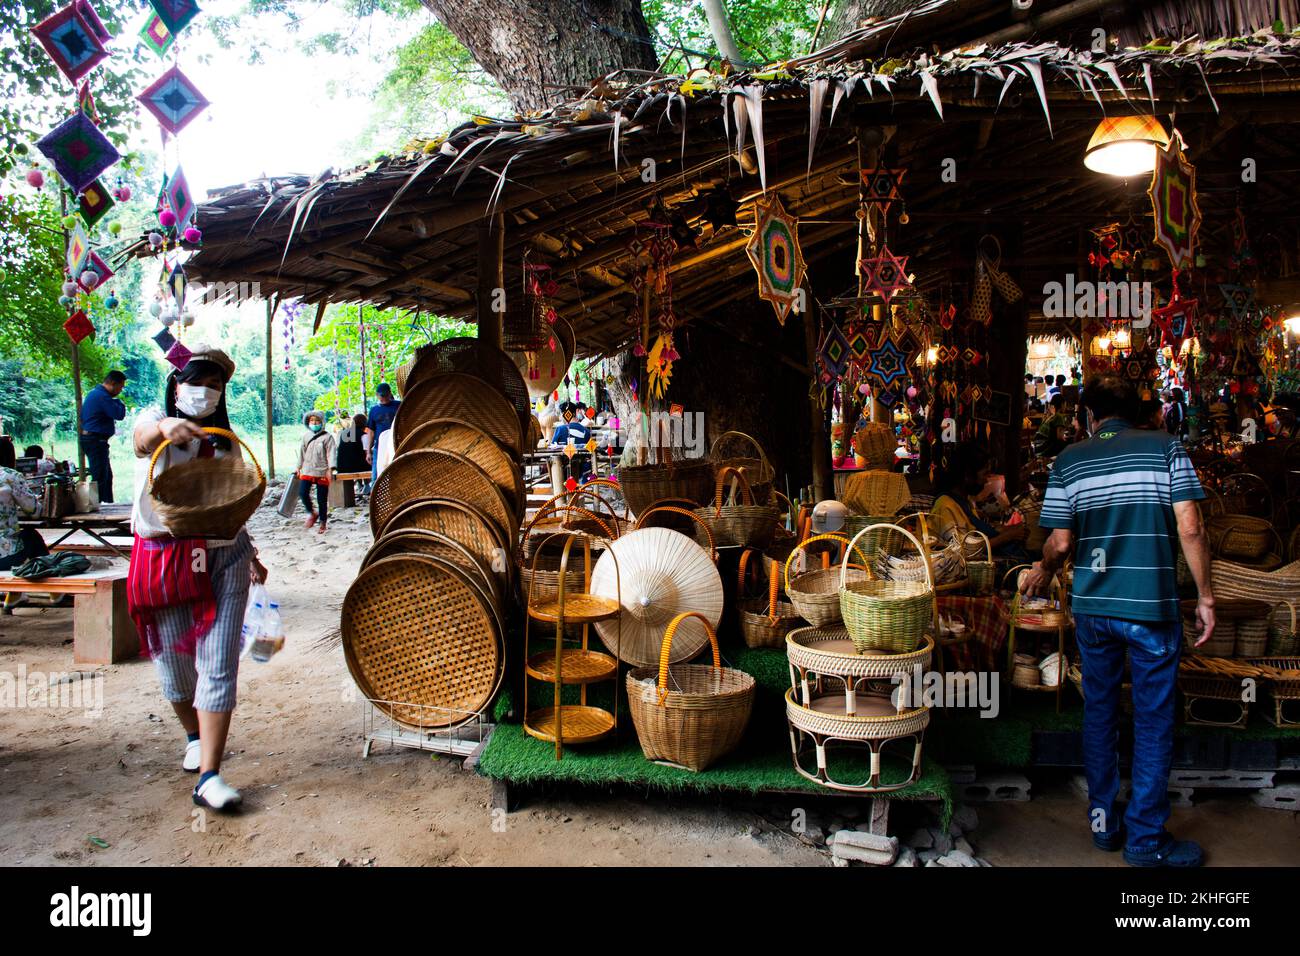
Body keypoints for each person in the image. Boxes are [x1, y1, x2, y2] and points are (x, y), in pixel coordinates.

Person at [1022, 375, 1214, 868]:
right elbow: (1189, 525)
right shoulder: (1167, 449)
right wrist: (1206, 596)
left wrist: (1043, 568)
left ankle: (1104, 822)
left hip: (1093, 609)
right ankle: (1145, 839)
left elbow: (1060, 543)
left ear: (1088, 416)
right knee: (1153, 719)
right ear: (1139, 411)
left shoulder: (1069, 460)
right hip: (1151, 609)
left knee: (1100, 713)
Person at [129, 345, 266, 812]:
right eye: (196, 382)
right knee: (173, 665)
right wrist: (165, 428)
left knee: (219, 661)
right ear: (175, 384)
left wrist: (253, 553)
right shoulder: (154, 419)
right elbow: (140, 440)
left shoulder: (225, 441)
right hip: (166, 559)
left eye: (215, 385)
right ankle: (192, 733)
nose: (204, 392)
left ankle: (210, 774)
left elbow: (229, 502)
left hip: (225, 558)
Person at [930, 442, 1028, 558]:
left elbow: (975, 534)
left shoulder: (965, 502)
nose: (987, 481)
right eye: (985, 474)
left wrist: (1007, 530)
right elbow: (963, 550)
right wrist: (1007, 536)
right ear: (967, 475)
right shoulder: (945, 505)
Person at [0, 436, 48, 574]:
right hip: (4, 555)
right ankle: (54, 587)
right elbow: (34, 510)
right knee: (31, 537)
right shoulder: (10, 476)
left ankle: (15, 593)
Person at [79, 369, 127, 502]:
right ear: (112, 383)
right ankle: (96, 507)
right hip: (94, 440)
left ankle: (105, 504)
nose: (120, 390)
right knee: (100, 477)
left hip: (95, 439)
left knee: (106, 476)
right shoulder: (101, 396)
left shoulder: (97, 394)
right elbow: (119, 414)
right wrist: (119, 402)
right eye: (120, 387)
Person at [295, 411, 336, 534]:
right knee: (302, 493)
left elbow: (331, 454)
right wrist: (298, 467)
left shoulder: (328, 437)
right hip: (307, 469)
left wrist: (331, 469)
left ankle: (323, 522)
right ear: (308, 422)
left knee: (321, 499)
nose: (314, 423)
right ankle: (312, 513)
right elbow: (302, 452)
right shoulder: (306, 437)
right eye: (312, 421)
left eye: (317, 421)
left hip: (322, 471)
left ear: (322, 422)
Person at [364, 384, 400, 482]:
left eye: (386, 395)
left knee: (397, 474)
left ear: (390, 393)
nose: (384, 398)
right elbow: (370, 432)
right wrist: (368, 452)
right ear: (377, 395)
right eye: (381, 396)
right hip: (379, 448)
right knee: (376, 476)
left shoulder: (399, 406)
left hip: (397, 445)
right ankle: (375, 495)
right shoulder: (374, 410)